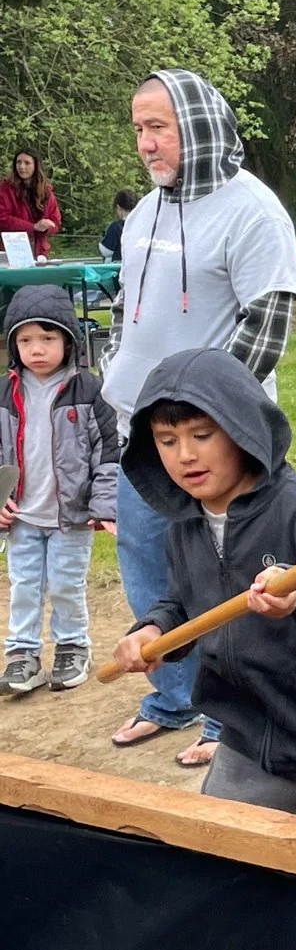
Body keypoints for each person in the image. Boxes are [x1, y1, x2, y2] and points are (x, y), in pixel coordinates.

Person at [102, 68, 296, 768]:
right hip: (142, 431)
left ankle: (228, 719)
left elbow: (268, 324)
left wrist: (209, 418)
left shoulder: (253, 211)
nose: (145, 143)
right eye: (138, 129)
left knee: (226, 579)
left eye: (158, 127)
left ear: (199, 125)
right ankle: (170, 697)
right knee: (150, 569)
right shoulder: (146, 211)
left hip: (215, 439)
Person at [109, 348, 296, 824]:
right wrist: (153, 629)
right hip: (244, 742)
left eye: (202, 435)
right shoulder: (184, 522)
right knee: (219, 865)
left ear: (242, 429)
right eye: (166, 440)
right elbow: (183, 599)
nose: (186, 455)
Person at [0, 286, 117, 693]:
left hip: (72, 517)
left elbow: (108, 454)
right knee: (24, 586)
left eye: (47, 338)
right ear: (13, 343)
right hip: (22, 517)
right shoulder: (4, 392)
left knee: (67, 584)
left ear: (68, 339)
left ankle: (72, 647)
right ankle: (22, 654)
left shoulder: (89, 390)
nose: (37, 348)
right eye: (25, 339)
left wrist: (103, 506)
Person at [0, 148, 62, 260]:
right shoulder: (4, 189)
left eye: (27, 163)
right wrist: (33, 227)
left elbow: (56, 222)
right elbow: (2, 219)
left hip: (39, 253)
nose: (22, 167)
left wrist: (47, 226)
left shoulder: (46, 192)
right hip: (9, 251)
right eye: (19, 162)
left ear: (36, 166)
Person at [98, 188, 139, 261]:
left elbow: (106, 251)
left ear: (118, 207)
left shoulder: (115, 227)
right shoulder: (143, 225)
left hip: (118, 268)